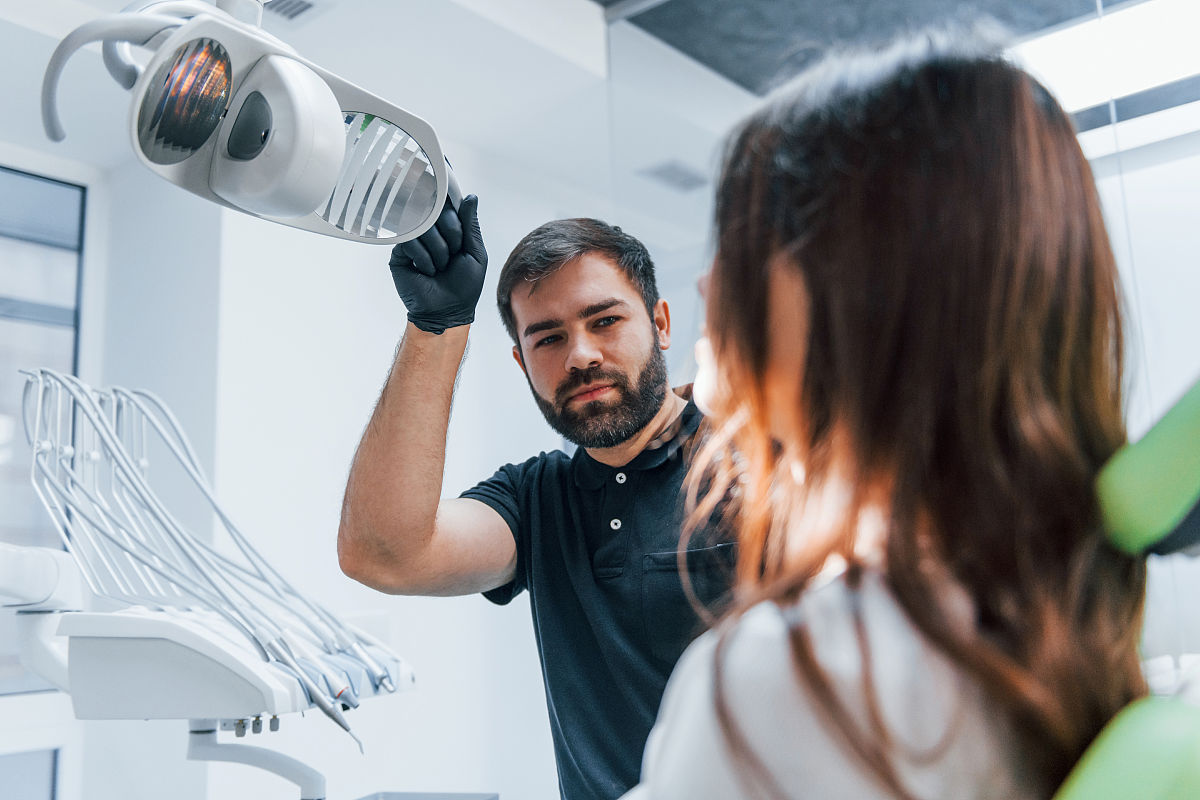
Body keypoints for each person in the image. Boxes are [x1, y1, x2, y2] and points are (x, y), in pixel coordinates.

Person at [622, 30, 1148, 800]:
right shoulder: (1060, 615)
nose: (706, 282)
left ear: (846, 286)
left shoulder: (795, 678)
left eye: (733, 240)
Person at [337, 207, 735, 800]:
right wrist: (436, 325)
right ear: (523, 363)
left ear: (660, 323)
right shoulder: (536, 501)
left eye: (604, 321)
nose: (579, 356)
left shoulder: (755, 457)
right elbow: (383, 553)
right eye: (548, 338)